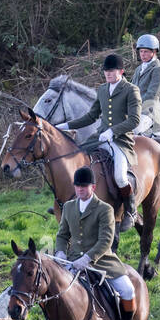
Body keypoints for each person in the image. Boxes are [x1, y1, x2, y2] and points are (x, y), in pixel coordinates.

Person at [54, 166, 139, 320]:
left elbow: (106, 240)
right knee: (55, 290)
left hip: (103, 261)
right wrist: (60, 253)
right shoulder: (68, 207)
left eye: (84, 187)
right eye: (77, 186)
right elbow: (62, 235)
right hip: (73, 261)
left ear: (93, 187)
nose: (80, 190)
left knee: (128, 291)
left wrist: (88, 258)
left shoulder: (105, 209)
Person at [55, 54, 141, 231]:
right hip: (99, 137)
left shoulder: (131, 90)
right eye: (106, 71)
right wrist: (65, 125)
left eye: (112, 71)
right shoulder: (102, 89)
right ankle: (69, 203)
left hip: (121, 140)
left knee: (120, 176)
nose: (108, 74)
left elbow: (134, 120)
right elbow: (91, 116)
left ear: (121, 71)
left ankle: (130, 210)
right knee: (76, 159)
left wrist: (113, 131)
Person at [130, 34, 160, 135]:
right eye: (141, 51)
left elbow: (152, 95)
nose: (142, 54)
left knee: (134, 131)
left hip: (149, 113)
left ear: (154, 52)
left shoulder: (159, 70)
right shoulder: (138, 69)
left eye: (146, 51)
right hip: (134, 112)